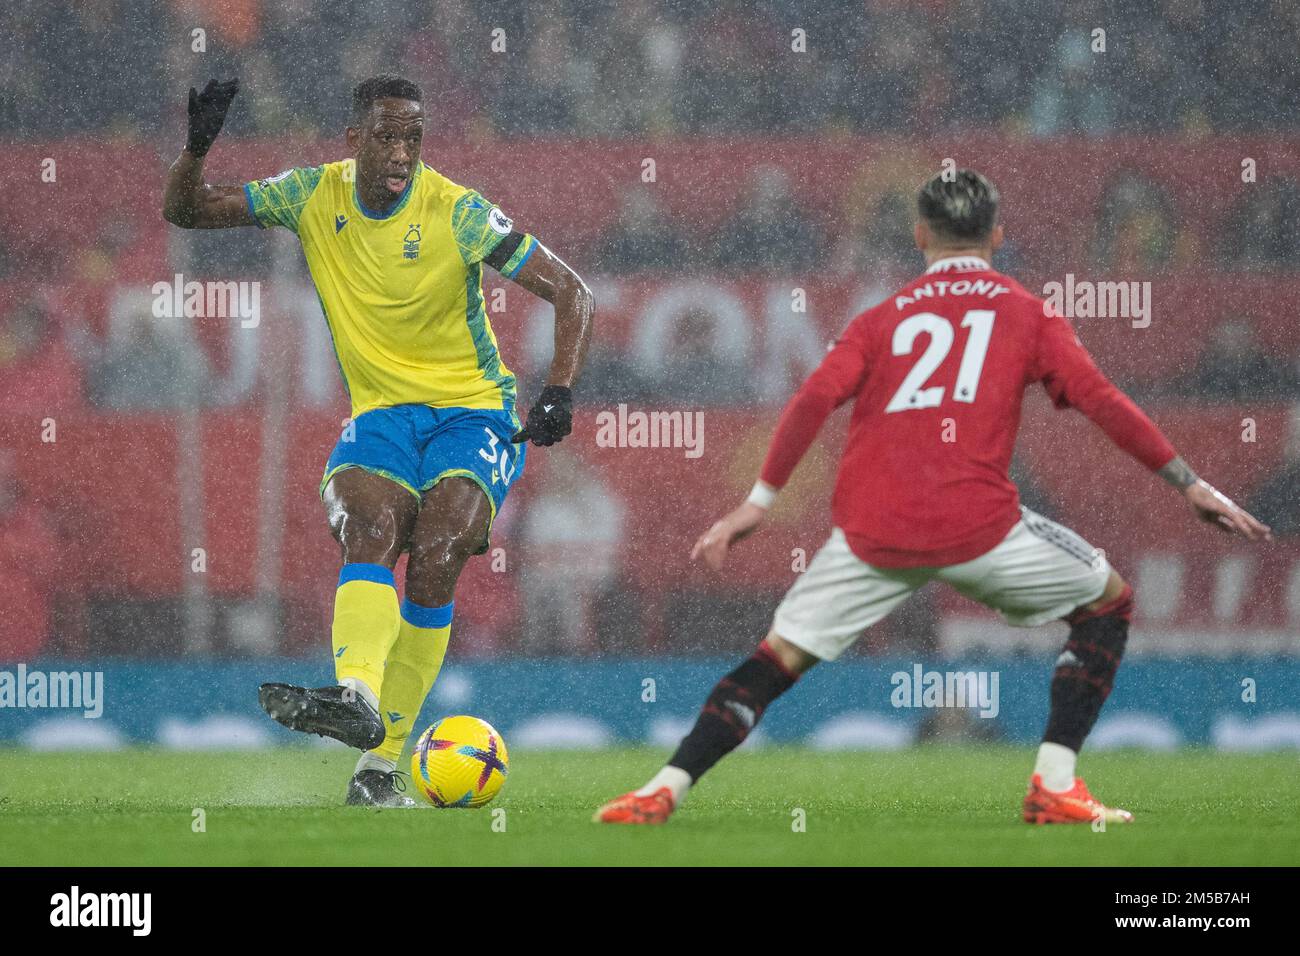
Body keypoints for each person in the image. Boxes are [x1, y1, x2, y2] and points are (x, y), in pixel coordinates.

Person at [596, 169, 1269, 826]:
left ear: (920, 235)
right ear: (997, 235)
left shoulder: (879, 320)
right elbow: (1103, 402)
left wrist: (759, 502)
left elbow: (812, 399)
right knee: (1108, 602)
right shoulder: (1029, 315)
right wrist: (1190, 484)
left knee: (775, 662)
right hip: (981, 530)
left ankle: (664, 788)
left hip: (872, 536)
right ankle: (1054, 784)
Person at [163, 76, 593, 807]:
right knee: (368, 525)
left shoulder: (457, 211)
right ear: (354, 138)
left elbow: (571, 290)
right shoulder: (311, 194)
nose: (401, 153)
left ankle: (376, 768)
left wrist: (559, 390)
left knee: (438, 549)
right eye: (388, 137)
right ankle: (355, 697)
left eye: (414, 138)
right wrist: (197, 147)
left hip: (474, 411)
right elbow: (186, 211)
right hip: (382, 416)